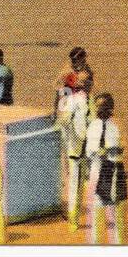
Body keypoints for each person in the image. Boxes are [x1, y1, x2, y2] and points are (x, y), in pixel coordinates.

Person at [56, 53, 92, 230]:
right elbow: (61, 96)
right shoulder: (69, 77)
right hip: (73, 135)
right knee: (71, 173)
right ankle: (71, 214)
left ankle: (72, 215)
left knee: (74, 175)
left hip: (78, 141)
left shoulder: (85, 75)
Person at [86, 92, 126, 244]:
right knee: (97, 215)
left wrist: (111, 151)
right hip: (98, 174)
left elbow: (121, 150)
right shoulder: (93, 126)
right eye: (97, 107)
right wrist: (98, 152)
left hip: (115, 172)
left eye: (103, 107)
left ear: (110, 108)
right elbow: (89, 152)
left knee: (118, 216)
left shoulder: (116, 126)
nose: (99, 110)